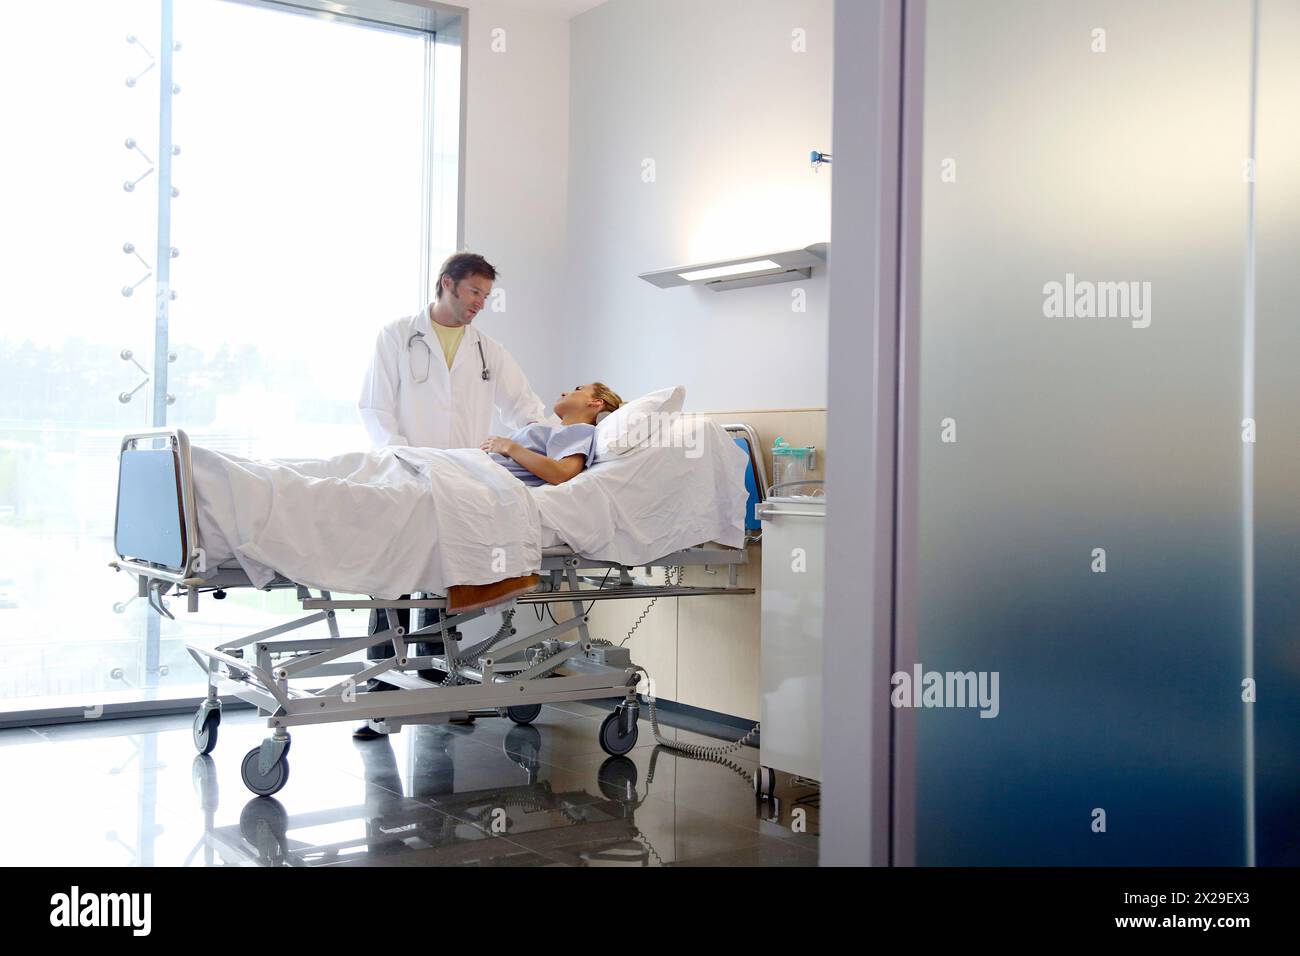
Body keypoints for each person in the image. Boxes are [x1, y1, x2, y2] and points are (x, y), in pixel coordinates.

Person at [354, 252, 549, 739]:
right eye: (473, 292)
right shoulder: (396, 336)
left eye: (486, 295)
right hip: (406, 471)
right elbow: (375, 406)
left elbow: (525, 408)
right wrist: (402, 458)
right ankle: (379, 688)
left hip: (460, 478)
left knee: (446, 575)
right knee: (394, 575)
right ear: (447, 284)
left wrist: (562, 442)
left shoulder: (488, 350)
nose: (480, 303)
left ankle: (438, 678)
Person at [481, 382, 623, 485]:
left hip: (483, 476)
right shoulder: (559, 431)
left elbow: (561, 473)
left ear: (596, 402)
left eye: (578, 389)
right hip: (479, 470)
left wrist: (509, 447)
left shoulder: (582, 430)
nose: (564, 393)